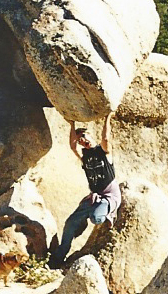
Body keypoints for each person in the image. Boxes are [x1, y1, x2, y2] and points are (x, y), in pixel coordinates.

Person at [49, 112, 121, 269]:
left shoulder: (104, 152)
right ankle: (58, 258)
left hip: (109, 197)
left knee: (96, 218)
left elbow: (106, 139)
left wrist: (108, 117)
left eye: (84, 136)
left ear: (90, 134)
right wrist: (71, 125)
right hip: (94, 198)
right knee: (70, 223)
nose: (83, 141)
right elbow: (72, 146)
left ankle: (106, 214)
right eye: (80, 140)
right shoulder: (85, 157)